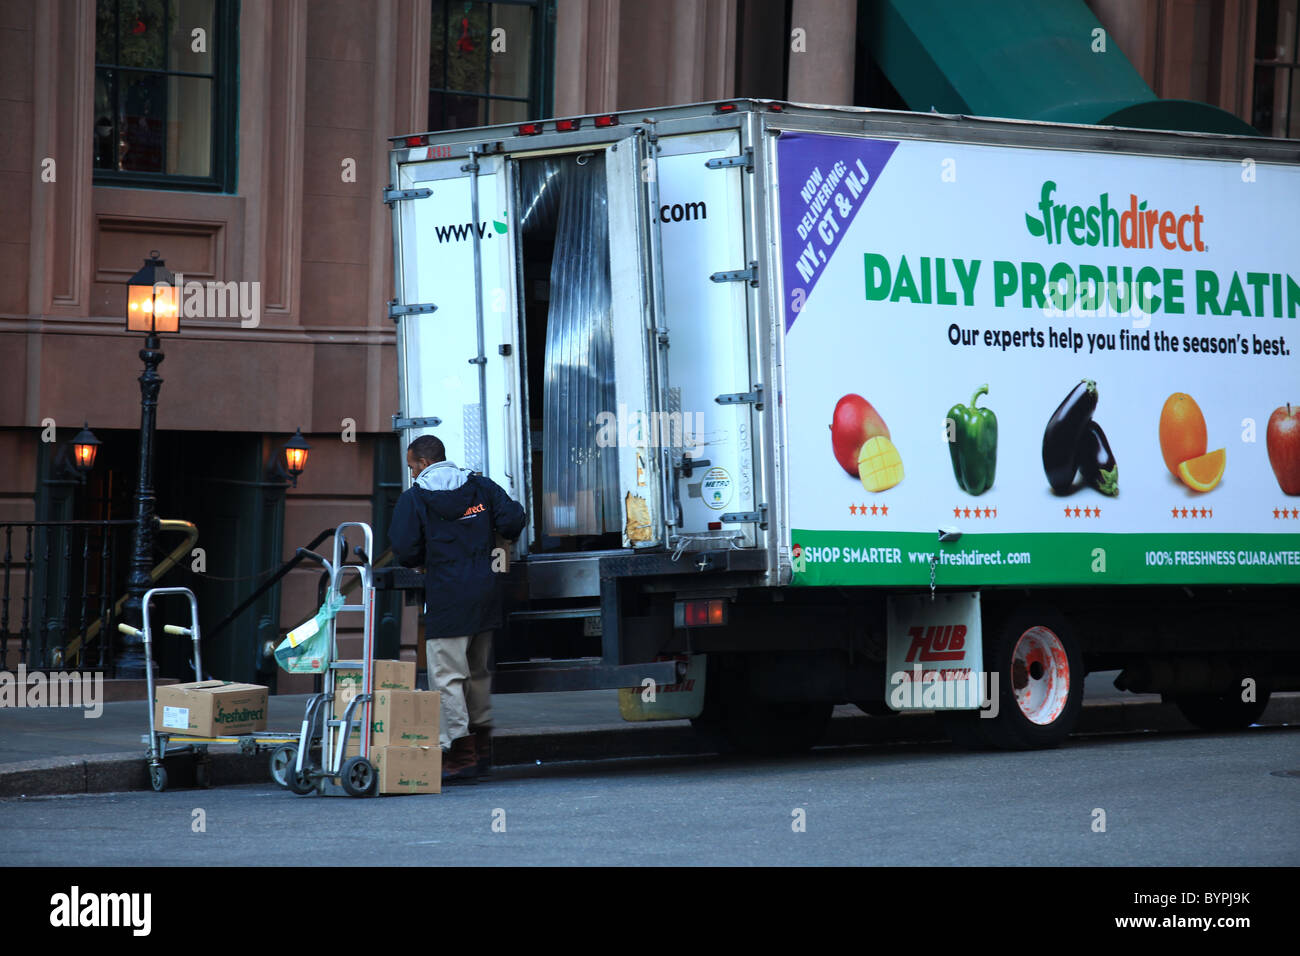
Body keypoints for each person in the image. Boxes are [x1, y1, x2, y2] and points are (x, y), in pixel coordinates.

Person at [389, 434, 526, 785]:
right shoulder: (480, 486)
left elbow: (405, 549)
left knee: (447, 676)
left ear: (420, 463)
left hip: (447, 596)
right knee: (477, 674)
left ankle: (459, 754)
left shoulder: (415, 498)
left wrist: (426, 560)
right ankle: (481, 753)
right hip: (486, 592)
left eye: (411, 466)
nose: (411, 472)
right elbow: (513, 519)